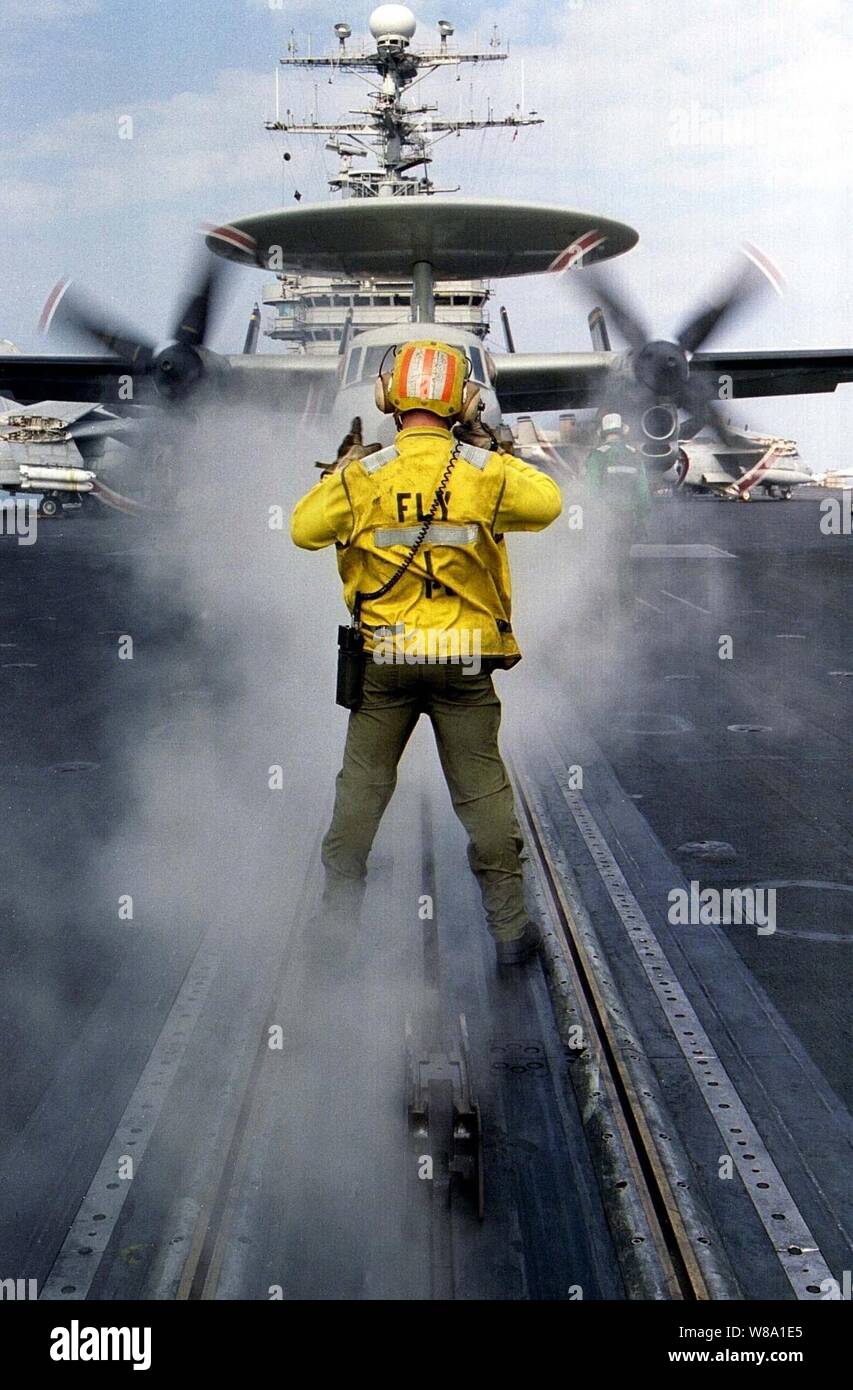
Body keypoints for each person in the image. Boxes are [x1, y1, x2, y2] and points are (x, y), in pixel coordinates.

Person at [290, 339, 562, 966]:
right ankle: (510, 932)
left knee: (361, 791)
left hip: (384, 661)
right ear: (465, 401)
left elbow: (303, 529)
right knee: (483, 795)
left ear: (387, 398)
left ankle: (333, 932)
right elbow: (548, 503)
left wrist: (342, 471)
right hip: (463, 662)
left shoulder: (365, 477)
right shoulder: (484, 473)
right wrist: (493, 450)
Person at [584, 412, 651, 614]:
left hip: (605, 519)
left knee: (601, 561)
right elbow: (643, 492)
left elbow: (592, 491)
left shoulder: (598, 455)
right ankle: (626, 608)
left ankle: (600, 607)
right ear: (622, 431)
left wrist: (589, 519)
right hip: (628, 519)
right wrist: (641, 518)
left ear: (602, 432)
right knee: (623, 562)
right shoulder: (634, 455)